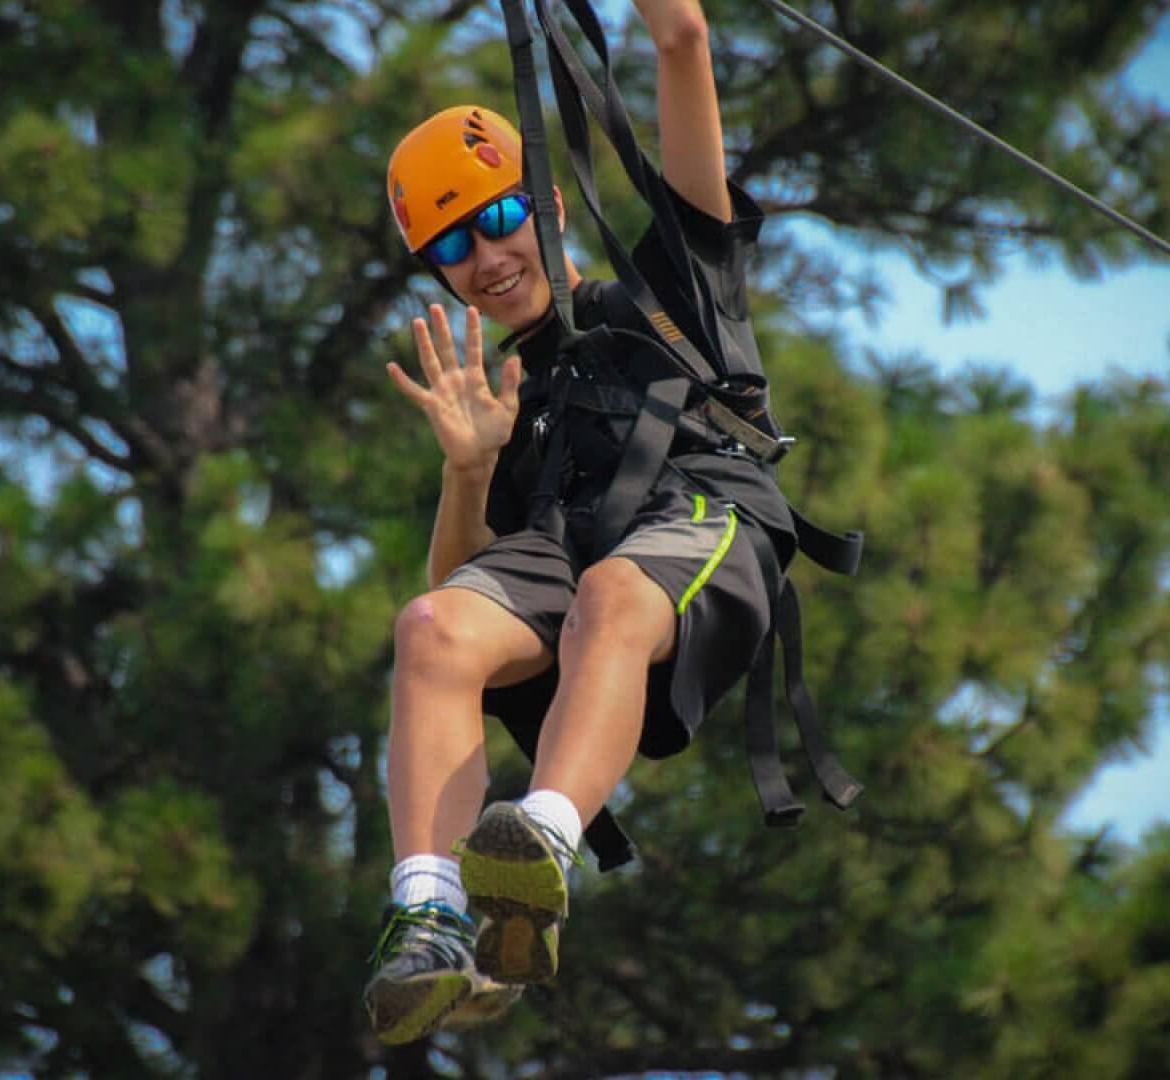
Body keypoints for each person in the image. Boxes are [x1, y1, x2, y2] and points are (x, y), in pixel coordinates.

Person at [365, 0, 804, 1044]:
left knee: (613, 591)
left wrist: (677, 22)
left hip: (708, 522)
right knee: (428, 631)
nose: (486, 256)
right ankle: (429, 917)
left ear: (549, 203)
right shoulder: (512, 403)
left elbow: (682, 42)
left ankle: (539, 852)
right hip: (583, 562)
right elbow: (468, 609)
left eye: (499, 217)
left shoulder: (669, 287)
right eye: (452, 248)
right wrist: (469, 470)